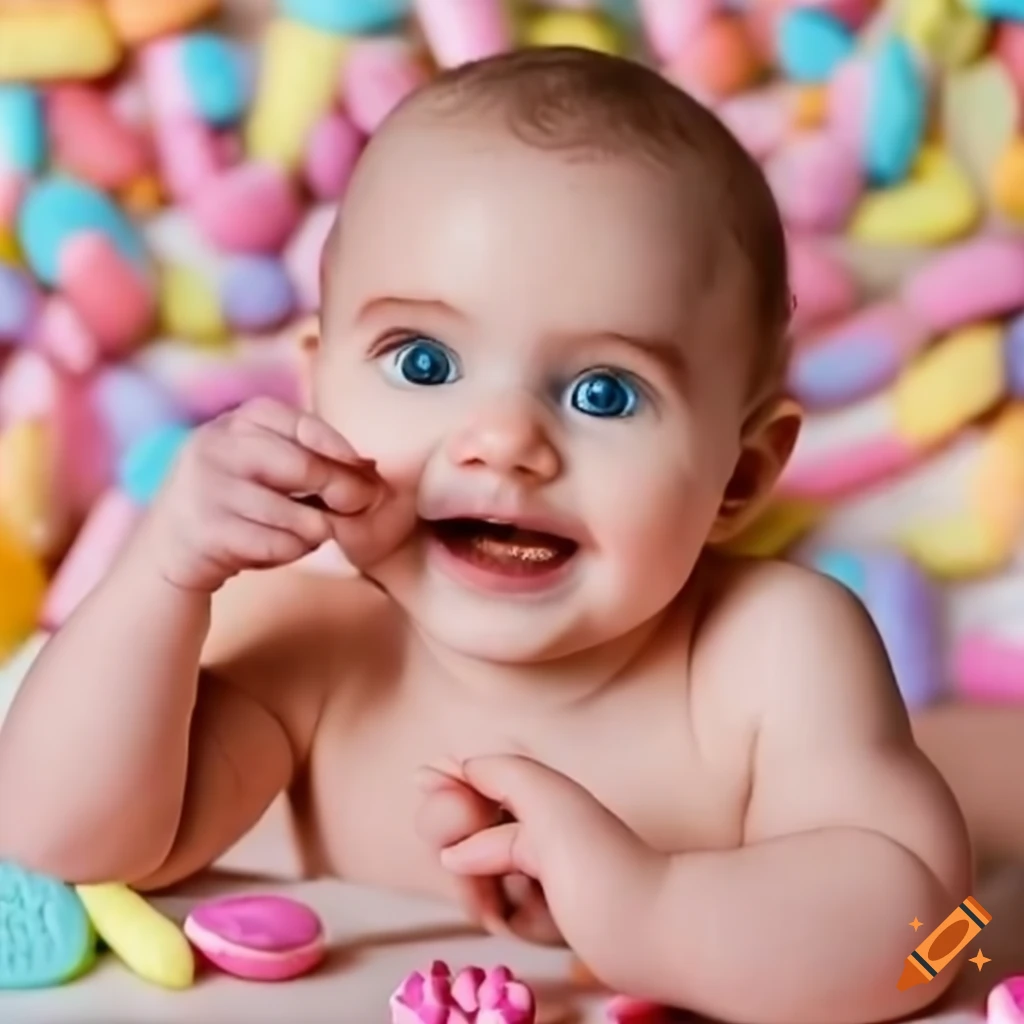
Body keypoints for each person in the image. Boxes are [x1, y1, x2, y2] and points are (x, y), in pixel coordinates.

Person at [0, 48, 969, 1023]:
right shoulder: (314, 647)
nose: (503, 442)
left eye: (605, 391)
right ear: (315, 391)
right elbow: (66, 840)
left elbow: (936, 937)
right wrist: (160, 577)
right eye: (423, 362)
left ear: (740, 474)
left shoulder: (771, 652)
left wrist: (651, 908)